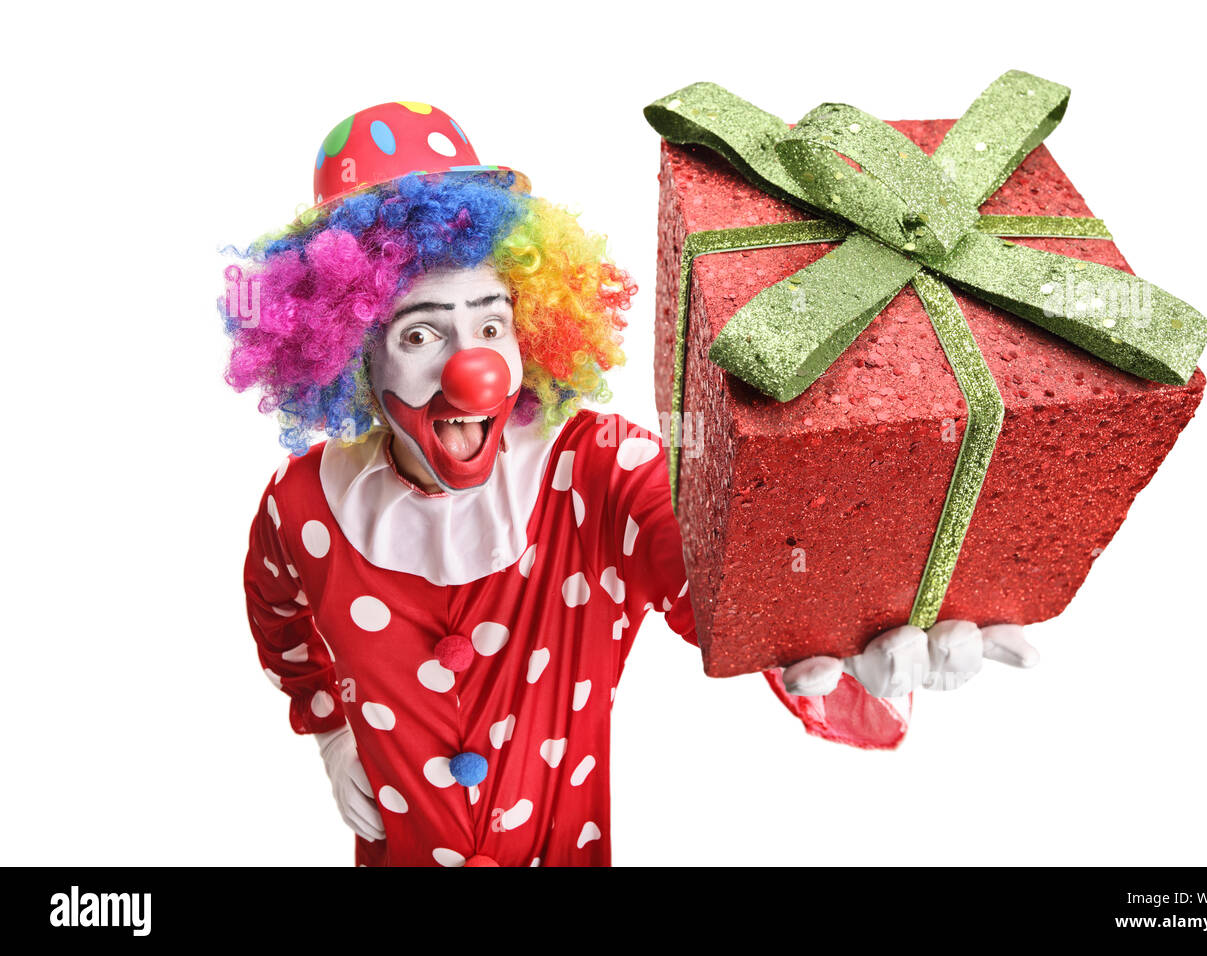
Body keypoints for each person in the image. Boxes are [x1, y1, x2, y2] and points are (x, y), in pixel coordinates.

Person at [223, 101, 1037, 866]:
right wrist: (330, 731)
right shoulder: (303, 506)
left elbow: (735, 576)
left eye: (491, 323)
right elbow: (280, 616)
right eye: (424, 331)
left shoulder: (599, 468)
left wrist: (852, 621)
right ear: (352, 351)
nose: (470, 368)